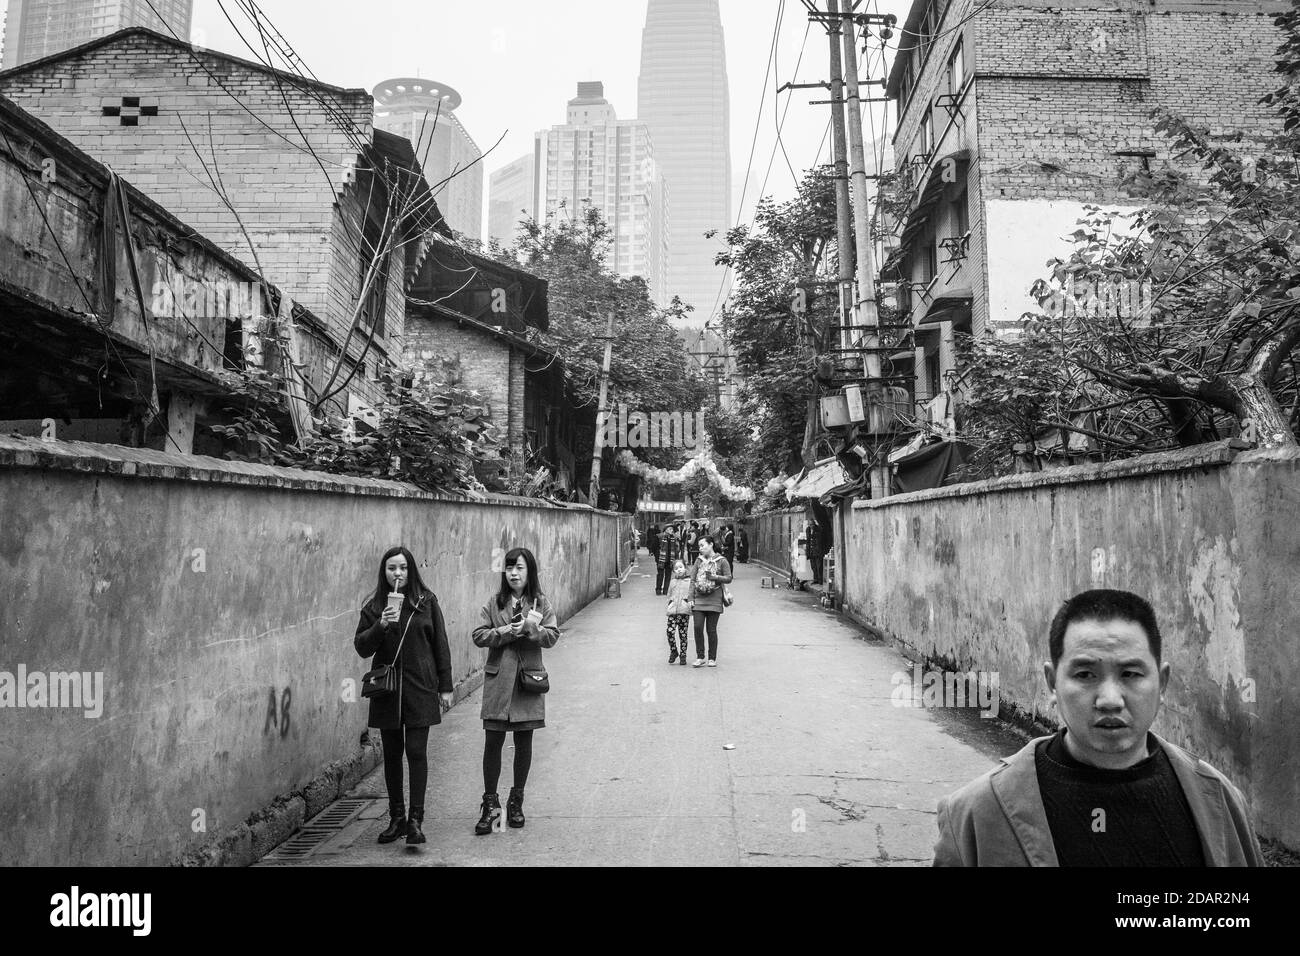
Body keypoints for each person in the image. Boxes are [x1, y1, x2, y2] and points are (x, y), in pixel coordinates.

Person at [932, 589, 1263, 867]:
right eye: (1085, 674)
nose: (1109, 699)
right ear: (1052, 683)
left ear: (1161, 683)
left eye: (1131, 674)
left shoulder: (1219, 801)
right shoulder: (978, 814)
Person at [353, 546, 454, 846]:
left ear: (411, 571)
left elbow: (440, 644)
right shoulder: (373, 607)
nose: (397, 573)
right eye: (391, 568)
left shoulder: (426, 602)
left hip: (420, 687)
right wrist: (381, 624)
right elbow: (362, 647)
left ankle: (416, 821)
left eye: (403, 568)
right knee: (393, 755)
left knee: (417, 752)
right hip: (388, 690)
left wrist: (445, 685)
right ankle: (396, 818)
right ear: (384, 573)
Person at [470, 547, 560, 834]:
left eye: (519, 567)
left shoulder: (541, 602)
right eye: (509, 568)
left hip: (528, 683)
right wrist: (508, 631)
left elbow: (552, 636)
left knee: (524, 743)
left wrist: (532, 630)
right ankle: (491, 808)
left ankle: (516, 802)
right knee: (493, 743)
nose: (513, 573)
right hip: (499, 684)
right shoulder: (495, 603)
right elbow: (479, 635)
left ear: (529, 571)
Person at [688, 533, 733, 668]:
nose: (700, 548)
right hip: (699, 598)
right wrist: (690, 597)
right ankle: (700, 657)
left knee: (711, 630)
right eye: (699, 546)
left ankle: (712, 658)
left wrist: (714, 577)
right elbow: (692, 579)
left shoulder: (722, 560)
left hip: (714, 598)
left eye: (702, 545)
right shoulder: (698, 560)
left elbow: (729, 578)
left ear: (711, 544)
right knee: (697, 627)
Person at [664, 558, 692, 665]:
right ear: (673, 571)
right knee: (670, 631)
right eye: (676, 568)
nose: (679, 570)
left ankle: (683, 655)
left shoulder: (689, 582)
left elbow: (692, 595)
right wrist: (670, 603)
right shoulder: (672, 582)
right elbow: (669, 595)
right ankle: (674, 651)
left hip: (684, 611)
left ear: (685, 568)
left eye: (681, 567)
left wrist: (688, 603)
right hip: (672, 611)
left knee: (683, 634)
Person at [655, 522, 681, 596]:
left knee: (668, 575)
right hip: (661, 559)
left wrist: (676, 558)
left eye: (672, 529)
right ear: (665, 530)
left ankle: (666, 590)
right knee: (660, 575)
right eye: (670, 529)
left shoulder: (674, 538)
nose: (671, 530)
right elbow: (654, 548)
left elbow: (676, 550)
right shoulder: (659, 536)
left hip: (670, 560)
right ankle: (658, 589)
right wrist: (657, 557)